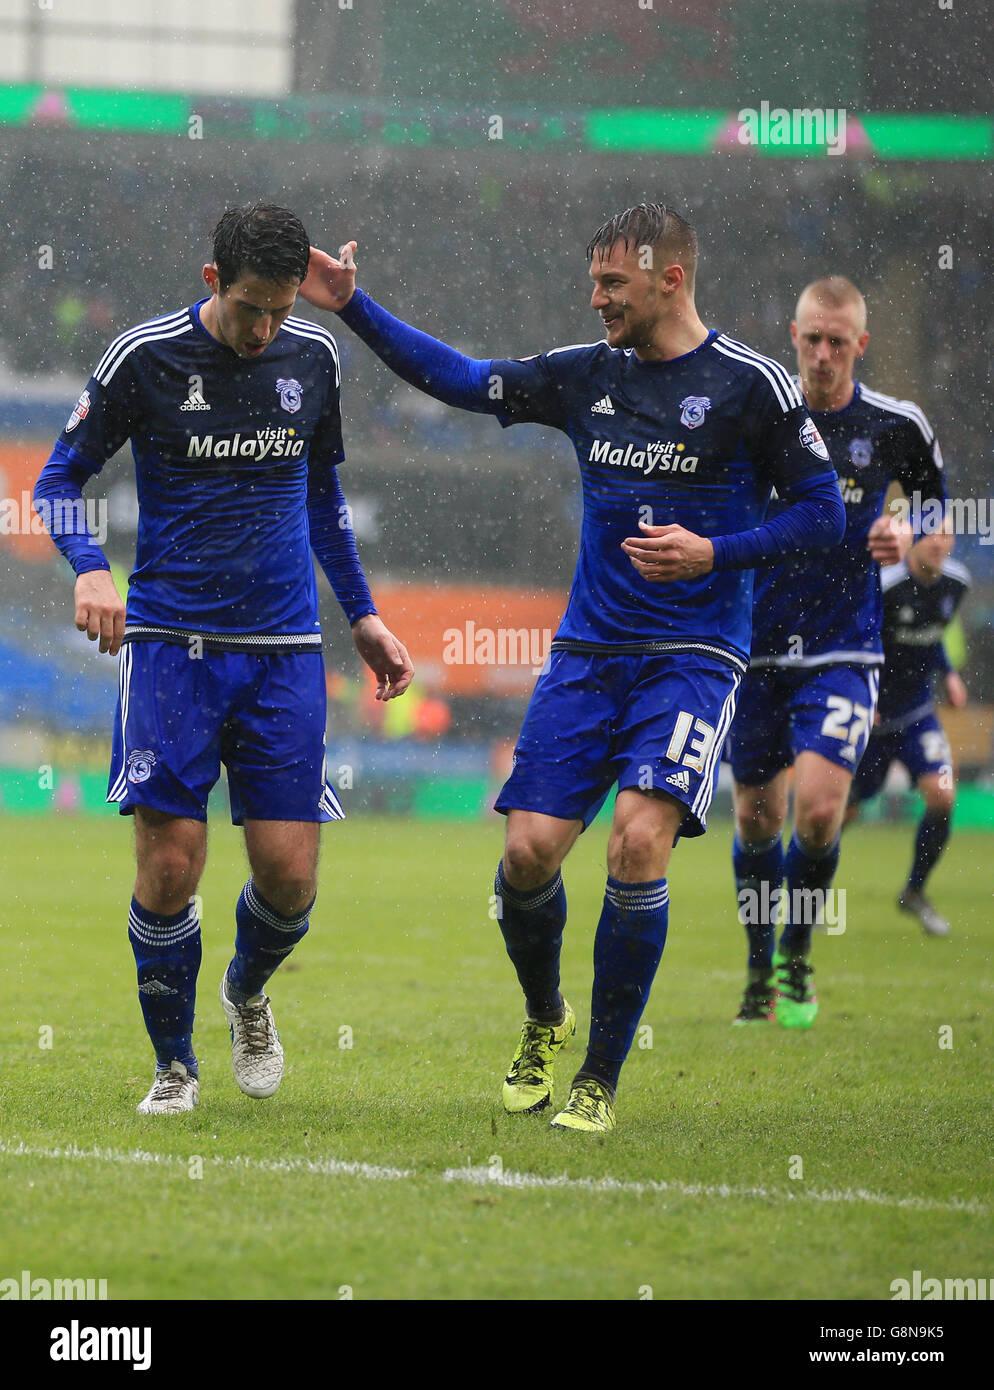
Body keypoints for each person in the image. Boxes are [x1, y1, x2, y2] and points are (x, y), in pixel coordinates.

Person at [299, 202, 844, 1132]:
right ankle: (545, 1015)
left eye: (612, 284)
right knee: (525, 857)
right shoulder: (586, 377)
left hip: (693, 657)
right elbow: (466, 381)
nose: (595, 300)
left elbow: (824, 514)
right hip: (589, 655)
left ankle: (599, 1074)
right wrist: (356, 307)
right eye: (593, 282)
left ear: (670, 278)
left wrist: (718, 553)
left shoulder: (753, 386)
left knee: (638, 842)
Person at [33, 204, 413, 1114]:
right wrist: (91, 571)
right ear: (212, 284)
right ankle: (174, 1067)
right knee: (171, 867)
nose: (266, 330)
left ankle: (244, 990)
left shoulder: (312, 359)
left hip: (284, 649)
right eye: (252, 309)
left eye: (283, 310)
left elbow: (323, 498)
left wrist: (361, 614)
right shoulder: (144, 357)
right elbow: (58, 479)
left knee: (289, 876)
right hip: (171, 647)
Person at [725, 276, 946, 1028]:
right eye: (812, 339)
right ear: (793, 335)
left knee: (819, 814)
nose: (823, 354)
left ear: (861, 345)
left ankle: (795, 955)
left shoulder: (894, 424)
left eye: (838, 343)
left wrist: (910, 540)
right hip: (752, 650)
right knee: (757, 819)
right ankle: (757, 970)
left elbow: (937, 516)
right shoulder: (756, 412)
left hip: (844, 647)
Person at [845, 529, 969, 936]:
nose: (939, 542)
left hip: (918, 715)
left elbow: (931, 635)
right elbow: (856, 642)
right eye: (930, 535)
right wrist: (865, 698)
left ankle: (914, 891)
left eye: (947, 534)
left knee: (943, 793)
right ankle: (805, 890)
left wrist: (949, 675)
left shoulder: (957, 582)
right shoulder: (886, 585)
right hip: (875, 719)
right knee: (834, 815)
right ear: (911, 540)